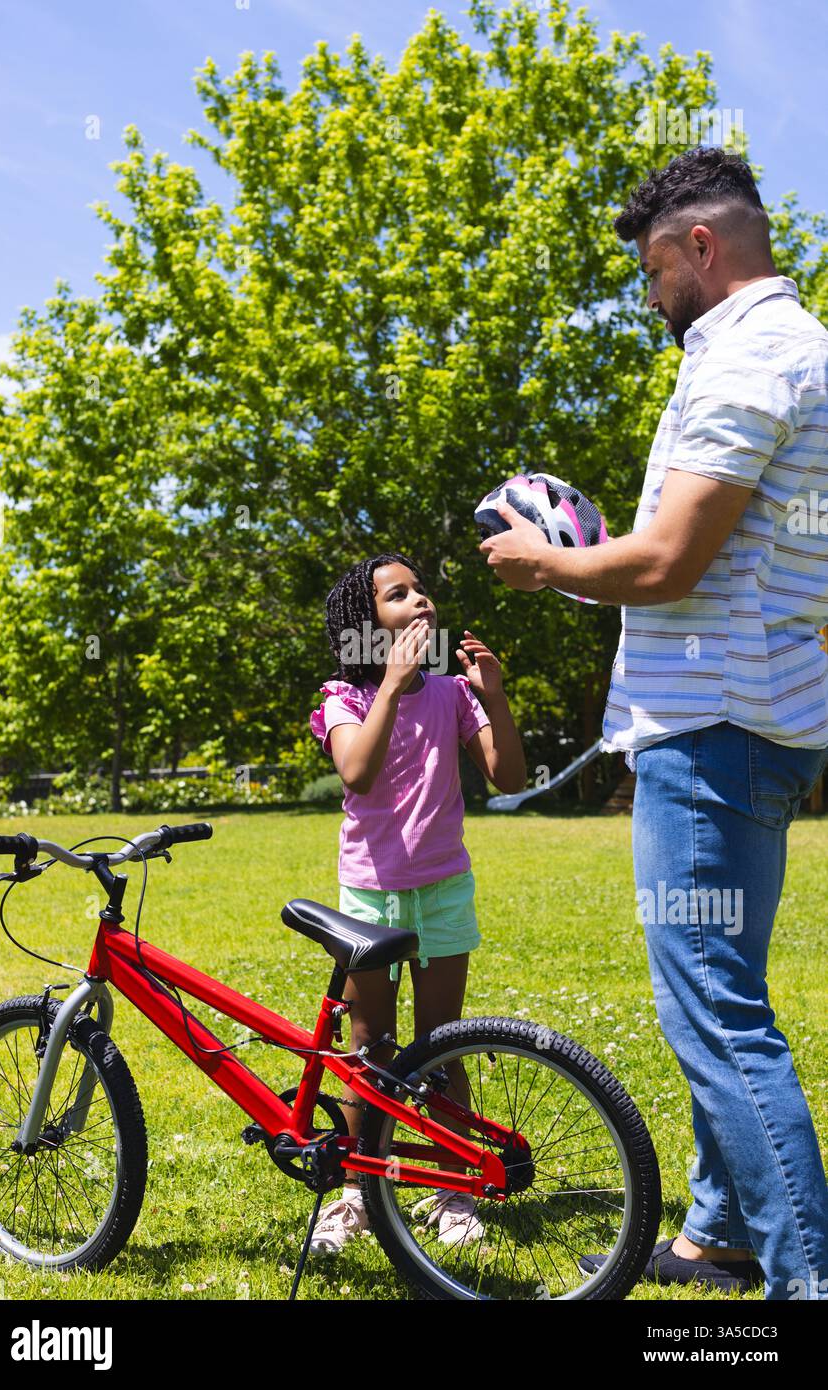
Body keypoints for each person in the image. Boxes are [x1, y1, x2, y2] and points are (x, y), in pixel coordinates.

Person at [478, 146, 828, 1300]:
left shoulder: (745, 360)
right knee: (724, 989)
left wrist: (548, 561)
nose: (645, 294)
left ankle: (802, 1281)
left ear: (700, 247)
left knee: (719, 1019)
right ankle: (718, 1234)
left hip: (711, 733)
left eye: (647, 270)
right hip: (767, 721)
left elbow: (672, 560)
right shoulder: (805, 352)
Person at [307, 551, 526, 1254]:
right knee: (368, 1048)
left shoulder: (451, 696)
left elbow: (508, 778)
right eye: (398, 595)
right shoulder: (344, 698)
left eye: (422, 590)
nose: (420, 601)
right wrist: (394, 686)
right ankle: (354, 1195)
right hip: (369, 894)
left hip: (442, 889)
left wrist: (491, 695)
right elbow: (357, 772)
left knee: (440, 1047)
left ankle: (450, 1187)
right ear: (366, 622)